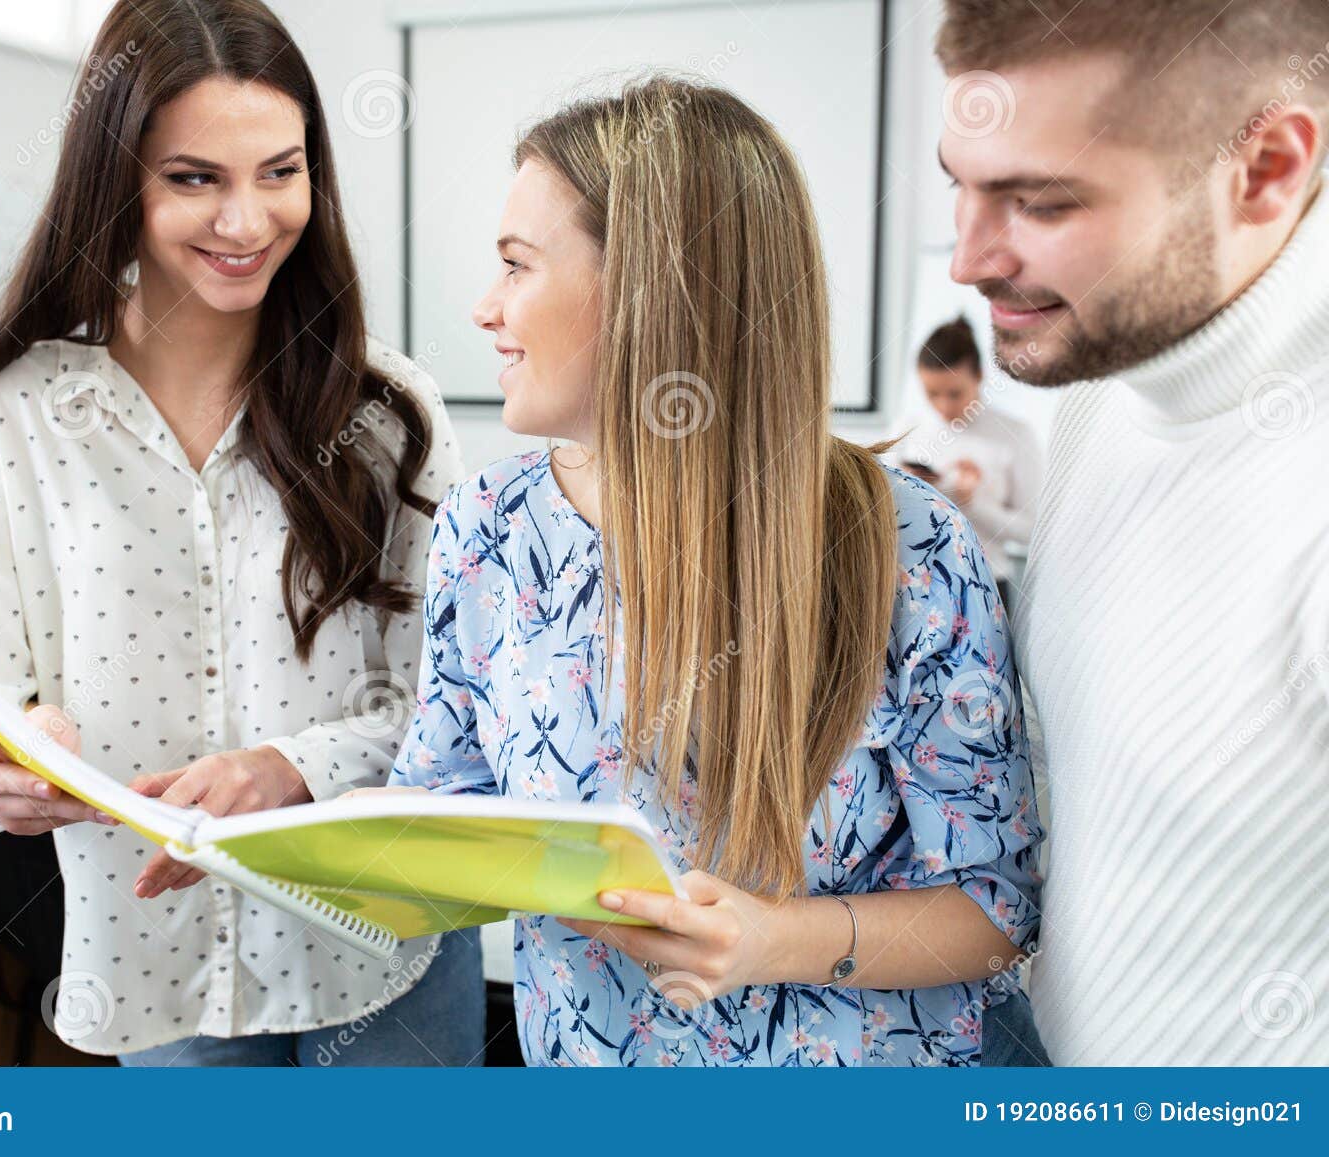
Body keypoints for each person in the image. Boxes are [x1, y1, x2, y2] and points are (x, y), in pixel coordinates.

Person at [365, 76, 1044, 1066]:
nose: (483, 306)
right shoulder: (486, 527)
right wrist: (319, 851)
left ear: (649, 290)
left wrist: (773, 940)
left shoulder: (907, 545)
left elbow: (992, 909)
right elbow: (445, 812)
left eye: (516, 265)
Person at [0, 0, 482, 1065]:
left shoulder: (390, 411)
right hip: (155, 952)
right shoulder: (17, 416)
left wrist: (293, 766)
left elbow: (453, 704)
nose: (247, 221)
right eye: (194, 177)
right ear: (117, 178)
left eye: (279, 170)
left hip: (384, 933)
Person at [938, 0, 1329, 1064]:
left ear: (1265, 168)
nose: (966, 260)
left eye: (1039, 202)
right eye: (958, 184)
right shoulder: (1098, 376)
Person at [893, 317, 1042, 595]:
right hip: (916, 584)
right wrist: (906, 491)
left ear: (979, 376)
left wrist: (973, 503)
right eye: (932, 393)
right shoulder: (907, 430)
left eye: (955, 393)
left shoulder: (1015, 434)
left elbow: (1032, 531)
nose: (943, 405)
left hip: (986, 584)